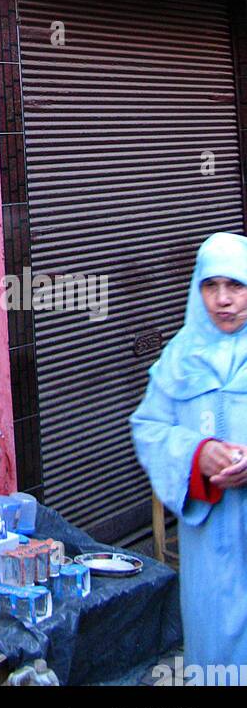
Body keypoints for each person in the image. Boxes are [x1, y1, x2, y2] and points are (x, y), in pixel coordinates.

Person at [131, 232, 247, 678]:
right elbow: (150, 426)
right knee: (214, 651)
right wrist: (196, 455)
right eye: (211, 285)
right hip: (209, 551)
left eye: (235, 285)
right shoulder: (180, 356)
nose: (222, 299)